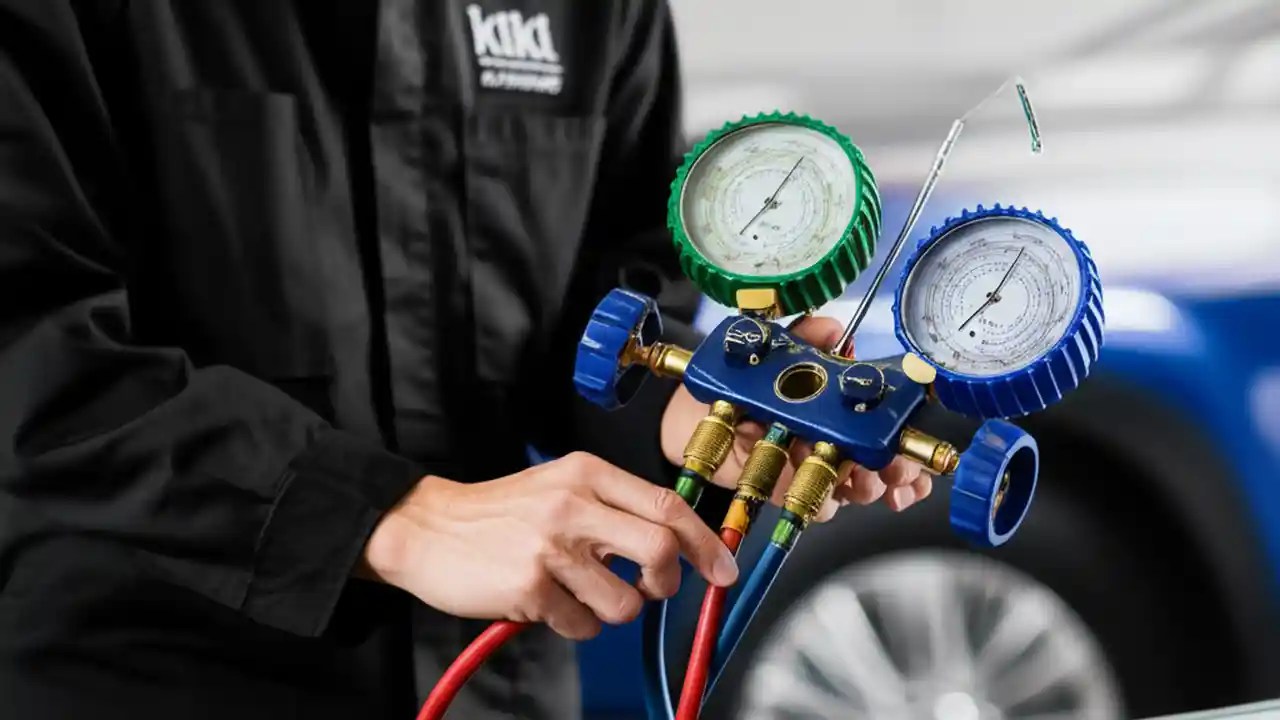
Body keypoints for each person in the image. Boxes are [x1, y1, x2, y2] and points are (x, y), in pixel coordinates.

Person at [0, 1, 932, 718]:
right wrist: (395, 517)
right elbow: (29, 343)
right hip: (145, 675)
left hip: (500, 678)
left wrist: (684, 410)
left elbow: (603, 303)